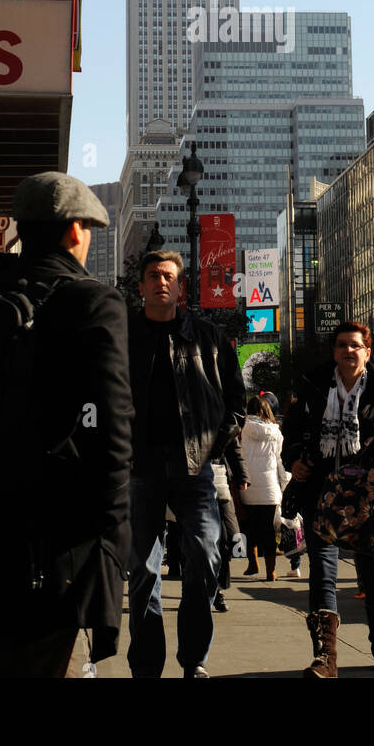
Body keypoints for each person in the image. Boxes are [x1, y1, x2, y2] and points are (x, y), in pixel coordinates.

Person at [0, 171, 132, 678]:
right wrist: (113, 528)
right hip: (63, 533)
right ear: (76, 230)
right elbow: (114, 425)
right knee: (41, 663)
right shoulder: (93, 302)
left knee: (11, 658)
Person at [127, 249, 246, 679]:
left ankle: (193, 658)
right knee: (141, 569)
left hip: (193, 465)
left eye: (169, 277)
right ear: (141, 286)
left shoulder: (208, 336)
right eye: (154, 276)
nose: (162, 282)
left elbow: (236, 401)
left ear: (181, 287)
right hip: (139, 466)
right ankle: (146, 665)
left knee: (205, 554)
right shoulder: (124, 335)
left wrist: (217, 441)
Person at [282, 321, 374, 678]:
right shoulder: (313, 385)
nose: (349, 351)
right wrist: (295, 461)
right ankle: (325, 658)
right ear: (334, 351)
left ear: (367, 352)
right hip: (321, 495)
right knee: (323, 575)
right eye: (342, 345)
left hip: (367, 499)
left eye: (356, 346)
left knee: (373, 578)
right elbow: (293, 432)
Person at [239, 395, 288, 581]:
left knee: (250, 526)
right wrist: (283, 482)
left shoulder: (242, 428)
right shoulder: (276, 432)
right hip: (270, 487)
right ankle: (271, 571)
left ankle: (253, 563)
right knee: (268, 529)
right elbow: (279, 460)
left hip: (248, 485)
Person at [212, 435, 249, 611]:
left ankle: (218, 585)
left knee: (232, 536)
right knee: (202, 542)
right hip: (191, 478)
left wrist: (242, 475)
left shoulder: (219, 409)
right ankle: (213, 590)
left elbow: (231, 440)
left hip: (219, 478)